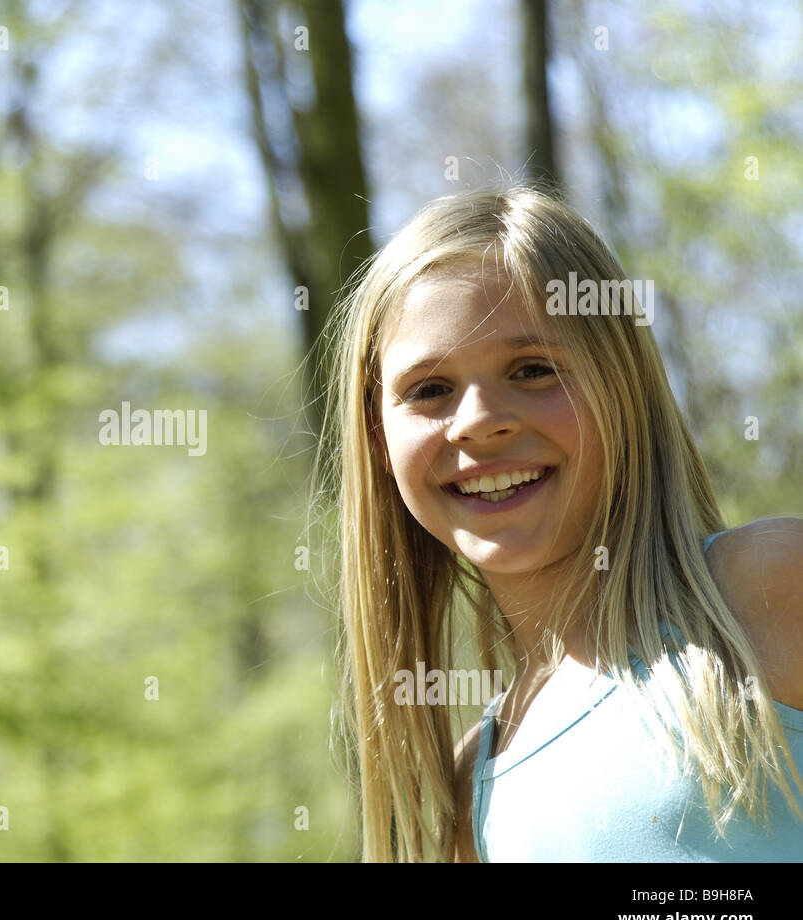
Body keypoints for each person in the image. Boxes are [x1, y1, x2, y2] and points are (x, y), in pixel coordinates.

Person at [318, 186, 803, 862]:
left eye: (533, 369)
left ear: (623, 389)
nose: (481, 419)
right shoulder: (468, 796)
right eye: (430, 389)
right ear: (378, 439)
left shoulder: (766, 594)